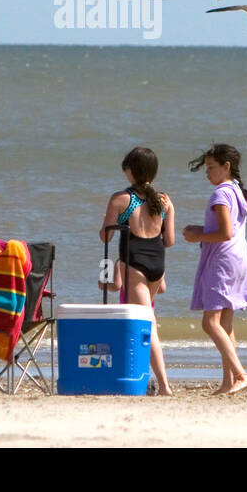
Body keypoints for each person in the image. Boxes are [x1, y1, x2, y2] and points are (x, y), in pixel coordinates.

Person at [99, 146, 175, 395]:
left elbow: (106, 236)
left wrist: (111, 221)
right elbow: (169, 240)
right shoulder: (164, 200)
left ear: (129, 171)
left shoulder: (122, 199)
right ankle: (141, 375)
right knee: (145, 322)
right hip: (157, 264)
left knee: (148, 325)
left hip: (135, 265)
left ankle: (164, 385)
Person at [183, 143, 247, 394]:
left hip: (223, 262)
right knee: (225, 325)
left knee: (209, 323)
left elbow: (225, 232)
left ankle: (241, 374)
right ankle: (228, 382)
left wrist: (196, 235)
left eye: (212, 168)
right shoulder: (237, 191)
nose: (207, 173)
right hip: (240, 261)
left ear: (227, 167)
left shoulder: (221, 194)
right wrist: (200, 231)